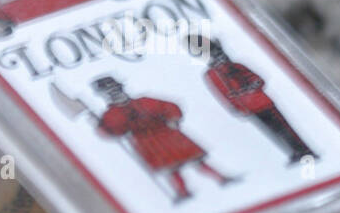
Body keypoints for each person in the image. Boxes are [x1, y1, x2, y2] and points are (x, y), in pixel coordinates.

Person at [92, 75, 236, 202]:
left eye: (116, 90)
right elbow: (114, 131)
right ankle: (183, 192)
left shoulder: (145, 101)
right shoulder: (112, 114)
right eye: (110, 93)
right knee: (172, 170)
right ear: (106, 96)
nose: (115, 94)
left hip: (168, 134)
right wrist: (103, 127)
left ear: (121, 88)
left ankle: (221, 178)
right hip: (147, 143)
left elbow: (169, 106)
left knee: (196, 160)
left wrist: (173, 118)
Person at [198, 35, 315, 164]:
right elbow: (222, 94)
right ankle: (295, 152)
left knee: (285, 128)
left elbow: (258, 80)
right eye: (213, 55)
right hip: (248, 108)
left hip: (262, 102)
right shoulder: (211, 75)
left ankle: (305, 151)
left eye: (217, 54)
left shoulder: (236, 66)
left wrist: (250, 88)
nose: (217, 58)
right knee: (273, 132)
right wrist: (235, 106)